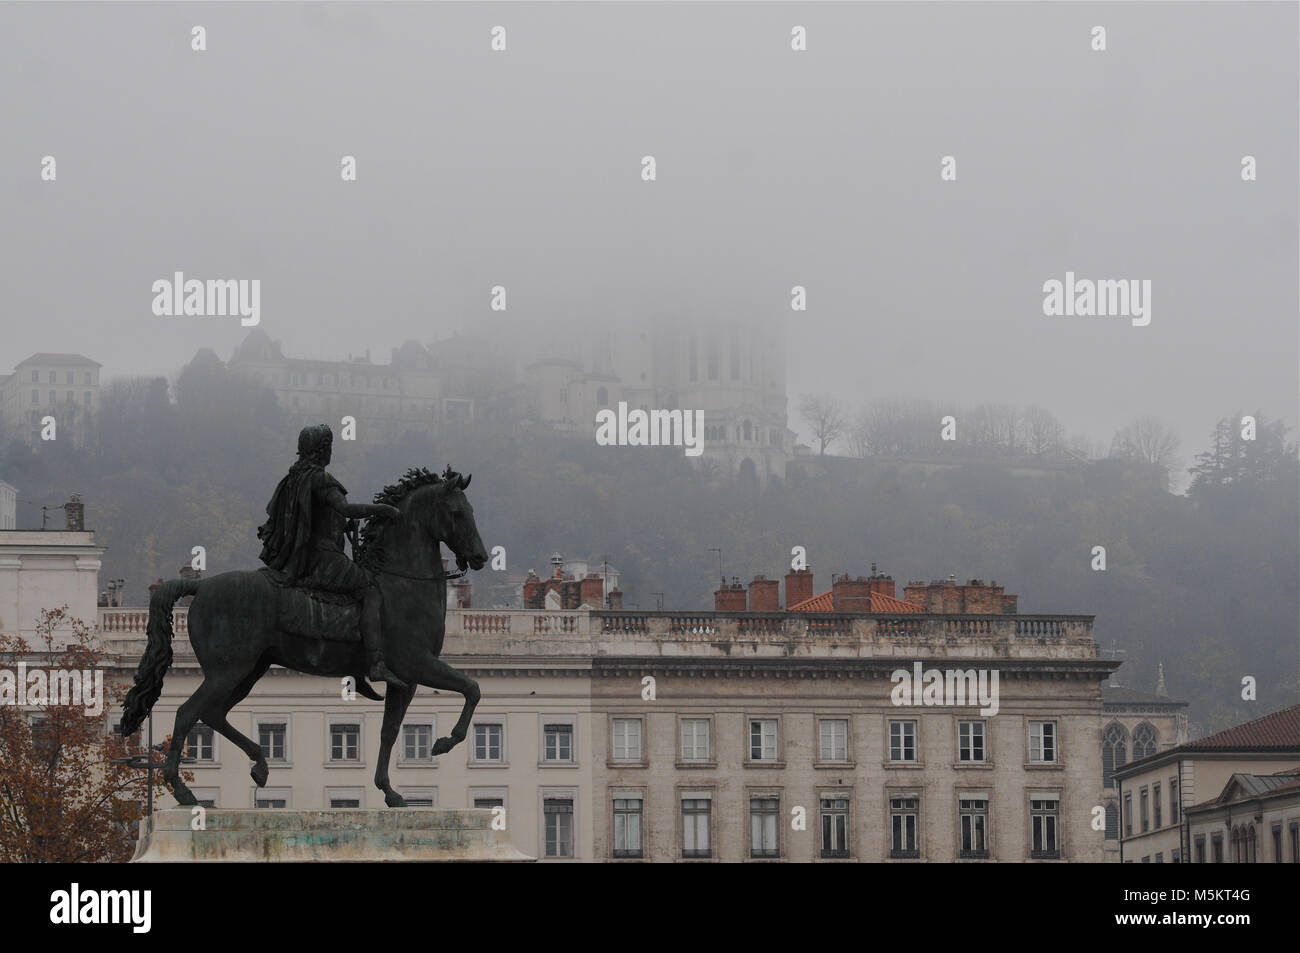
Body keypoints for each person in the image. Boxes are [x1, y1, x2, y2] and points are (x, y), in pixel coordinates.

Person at [257, 423, 406, 689]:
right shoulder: (319, 478)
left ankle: (351, 661)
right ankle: (376, 663)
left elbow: (313, 517)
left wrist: (338, 524)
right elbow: (345, 508)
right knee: (370, 589)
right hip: (323, 558)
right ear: (322, 450)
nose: (330, 453)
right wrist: (382, 509)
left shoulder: (293, 478)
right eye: (329, 448)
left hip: (300, 557)